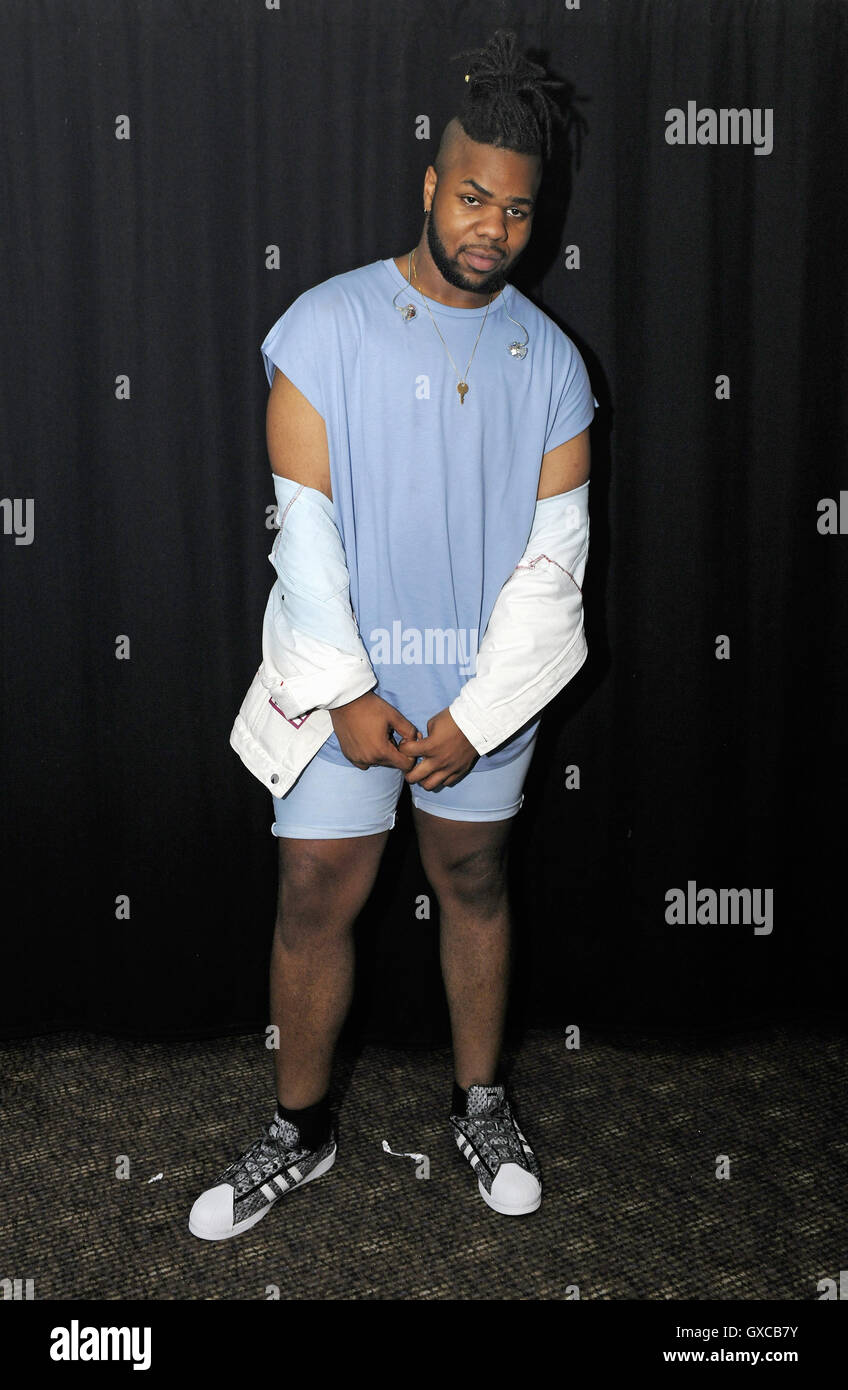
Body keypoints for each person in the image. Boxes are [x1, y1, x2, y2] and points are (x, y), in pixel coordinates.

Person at [190, 28, 597, 1241]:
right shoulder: (321, 327)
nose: (492, 228)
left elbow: (553, 565)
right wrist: (345, 692)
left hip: (482, 687)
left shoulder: (552, 365)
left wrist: (476, 715)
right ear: (430, 184)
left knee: (472, 878)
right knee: (313, 886)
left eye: (516, 210)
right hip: (341, 679)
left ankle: (481, 1105)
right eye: (472, 197)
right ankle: (298, 1130)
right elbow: (303, 533)